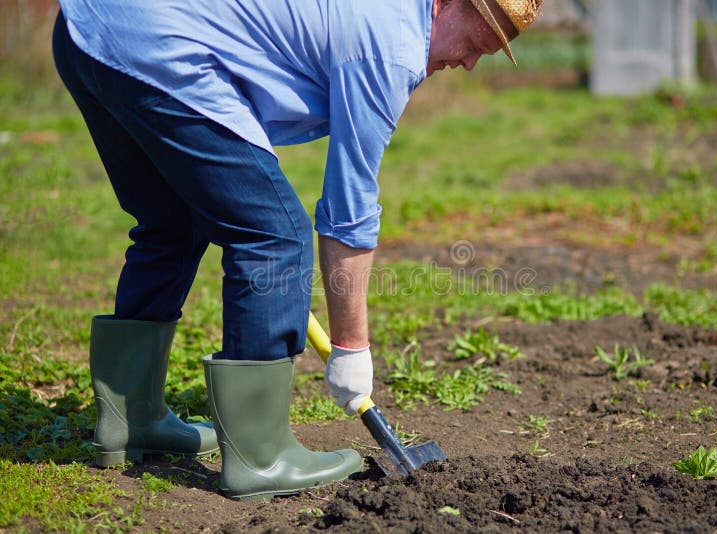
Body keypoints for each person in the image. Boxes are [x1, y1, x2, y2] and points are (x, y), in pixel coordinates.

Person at [52, 0, 543, 501]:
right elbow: (347, 210)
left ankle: (130, 418)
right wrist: (352, 346)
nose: (468, 62)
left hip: (91, 29)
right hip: (156, 50)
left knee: (170, 221)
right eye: (476, 43)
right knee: (274, 236)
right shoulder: (391, 47)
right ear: (443, 4)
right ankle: (259, 458)